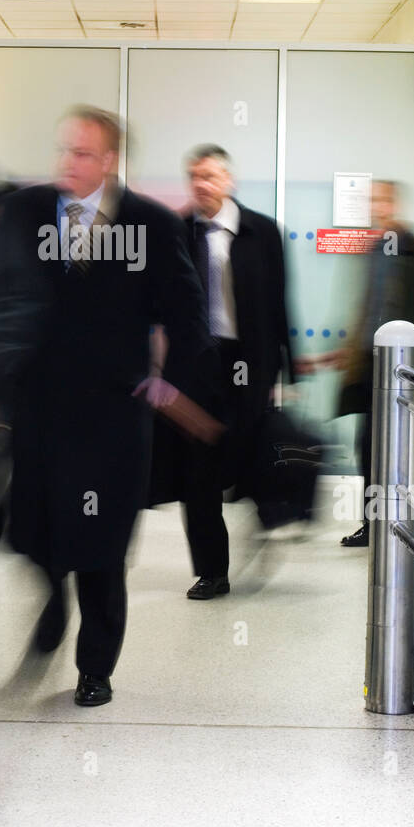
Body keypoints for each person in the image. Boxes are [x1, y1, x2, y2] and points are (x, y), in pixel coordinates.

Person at [0, 106, 215, 707]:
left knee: (104, 546)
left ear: (108, 161)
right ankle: (53, 601)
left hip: (112, 419)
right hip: (39, 411)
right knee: (36, 529)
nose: (67, 163)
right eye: (63, 151)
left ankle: (95, 665)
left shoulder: (151, 224)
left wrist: (173, 384)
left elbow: (187, 313)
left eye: (82, 154)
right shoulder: (28, 212)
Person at [150, 144, 294, 597]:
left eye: (210, 176)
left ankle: (267, 517)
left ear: (229, 181)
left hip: (248, 363)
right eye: (194, 176)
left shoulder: (263, 233)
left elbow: (279, 304)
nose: (201, 184)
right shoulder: (176, 232)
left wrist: (288, 372)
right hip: (198, 366)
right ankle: (213, 569)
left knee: (247, 455)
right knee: (199, 472)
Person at [333, 179, 414, 547]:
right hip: (370, 367)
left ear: (394, 204)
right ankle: (372, 522)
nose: (378, 207)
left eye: (383, 200)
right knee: (369, 446)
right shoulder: (373, 251)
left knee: (402, 447)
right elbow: (368, 306)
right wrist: (349, 356)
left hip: (405, 370)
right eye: (373, 201)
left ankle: (402, 519)